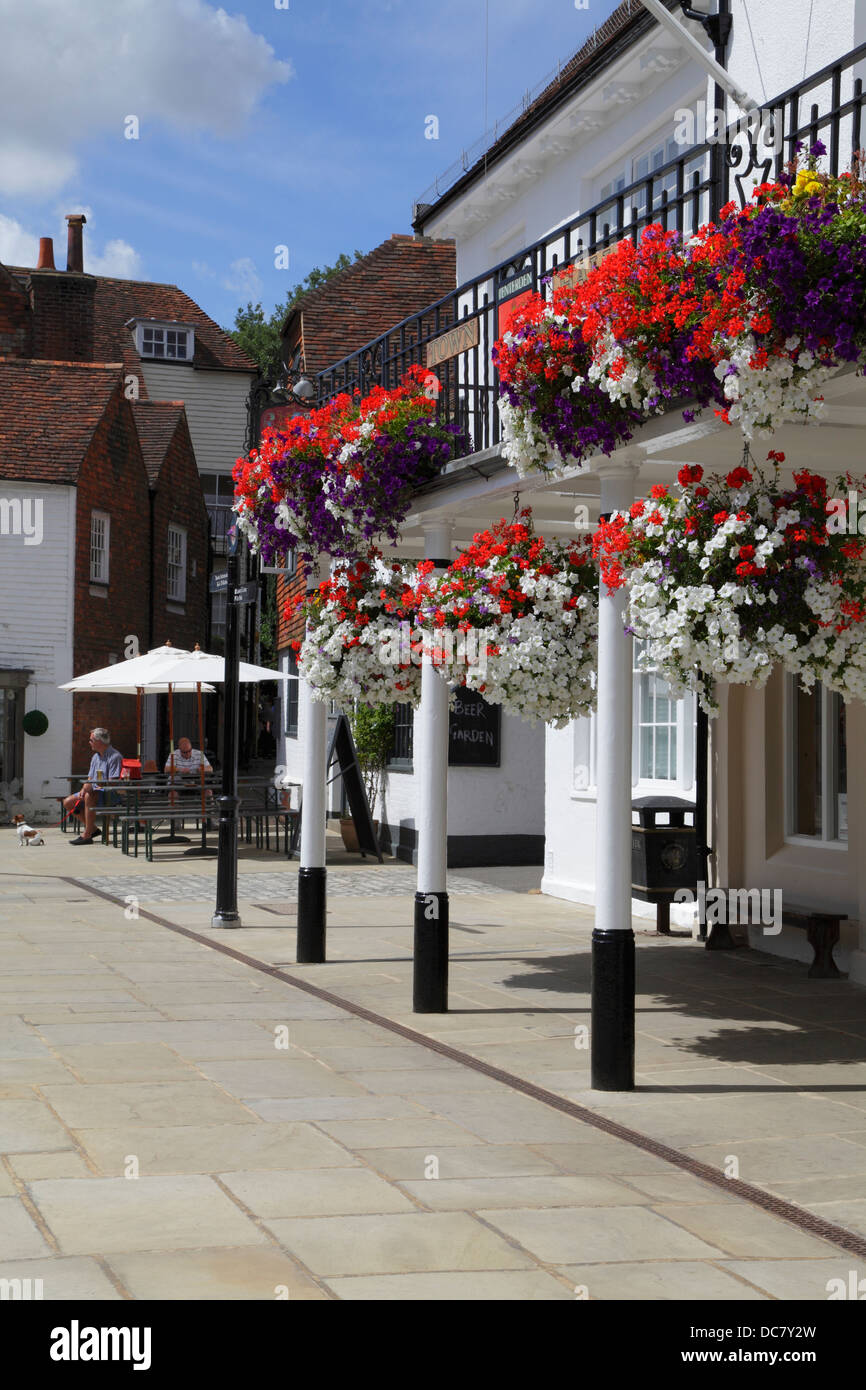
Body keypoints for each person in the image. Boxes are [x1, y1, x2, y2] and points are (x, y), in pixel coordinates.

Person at [63, 728, 123, 845]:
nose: (89, 742)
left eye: (91, 740)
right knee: (68, 802)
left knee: (90, 795)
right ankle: (93, 829)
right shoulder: (95, 757)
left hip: (110, 793)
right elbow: (90, 778)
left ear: (99, 741)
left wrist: (92, 787)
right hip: (96, 790)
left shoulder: (115, 756)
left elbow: (113, 782)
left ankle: (87, 834)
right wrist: (83, 789)